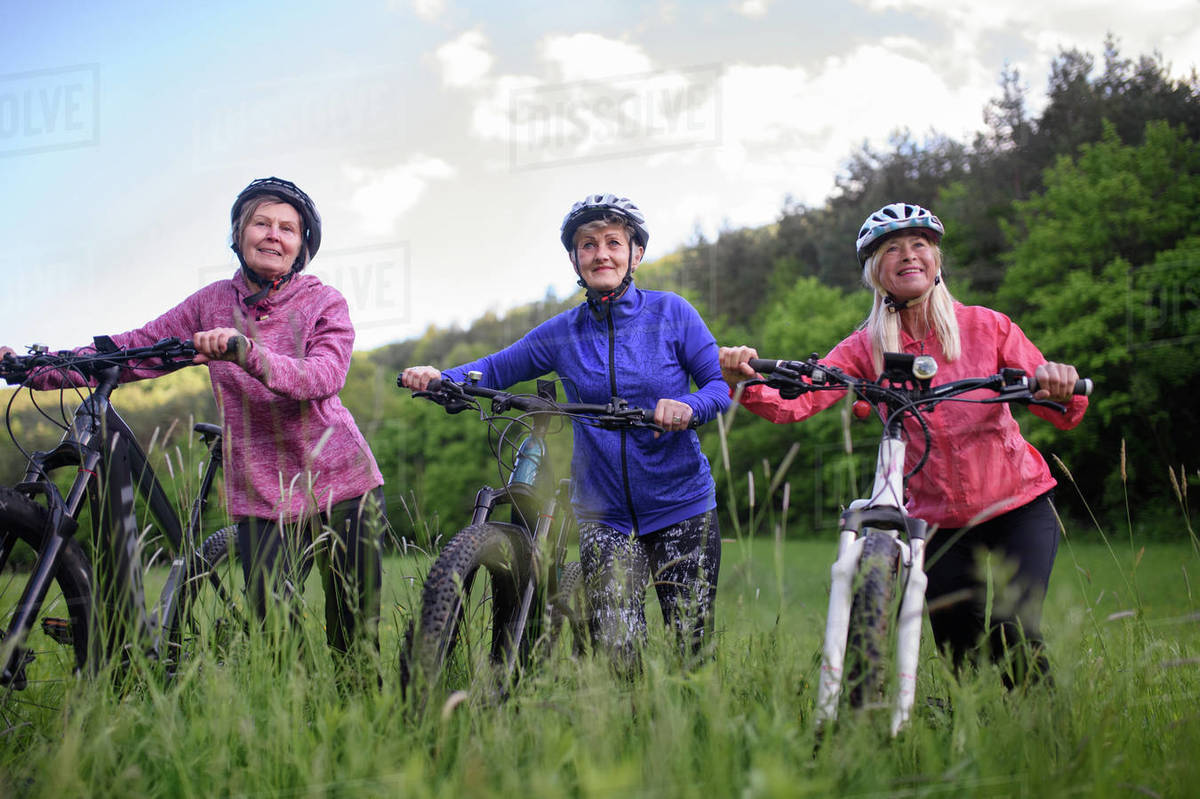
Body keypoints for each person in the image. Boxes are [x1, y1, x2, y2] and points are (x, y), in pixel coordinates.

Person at [3, 177, 386, 661]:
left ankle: (356, 716)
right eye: (261, 223)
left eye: (288, 228)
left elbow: (323, 376)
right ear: (238, 235)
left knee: (355, 634)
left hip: (341, 482)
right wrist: (38, 369)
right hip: (262, 493)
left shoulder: (323, 302)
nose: (273, 234)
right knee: (275, 636)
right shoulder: (210, 303)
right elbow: (136, 348)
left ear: (301, 246)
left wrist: (247, 352)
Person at [719, 202, 1089, 686]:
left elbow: (1055, 408)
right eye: (892, 248)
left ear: (936, 261)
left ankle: (1049, 737)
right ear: (876, 270)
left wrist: (1058, 383)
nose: (908, 255)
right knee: (961, 656)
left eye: (920, 245)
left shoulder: (988, 326)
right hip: (936, 524)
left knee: (1013, 630)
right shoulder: (863, 347)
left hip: (1016, 505)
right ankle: (982, 739)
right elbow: (798, 403)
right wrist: (742, 380)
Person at [400, 193, 730, 668]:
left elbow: (718, 387)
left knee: (690, 651)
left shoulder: (672, 313)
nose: (601, 253)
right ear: (575, 258)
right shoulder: (562, 332)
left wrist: (688, 407)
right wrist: (443, 378)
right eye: (588, 244)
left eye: (614, 242)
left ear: (635, 254)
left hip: (681, 505)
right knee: (618, 655)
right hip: (604, 514)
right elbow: (496, 367)